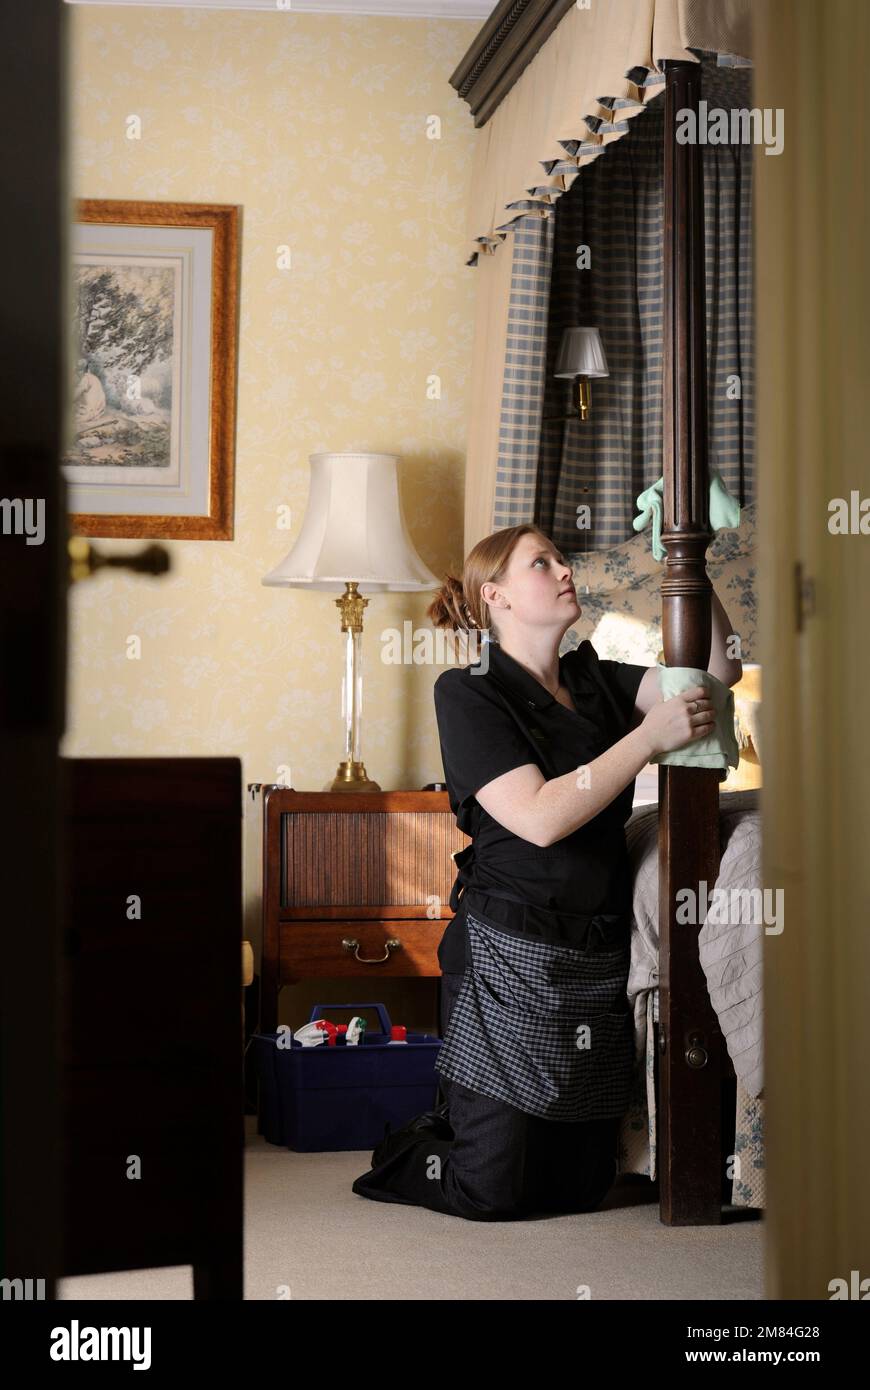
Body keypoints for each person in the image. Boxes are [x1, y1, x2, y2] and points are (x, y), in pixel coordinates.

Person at [351, 523, 741, 1221]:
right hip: (506, 954)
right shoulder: (468, 694)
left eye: (562, 559)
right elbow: (535, 817)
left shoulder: (596, 679)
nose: (564, 570)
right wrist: (647, 738)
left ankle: (459, 1124)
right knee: (491, 1192)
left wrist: (694, 560)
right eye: (543, 562)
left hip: (592, 952)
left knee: (580, 1186)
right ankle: (410, 1147)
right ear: (495, 596)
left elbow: (715, 678)